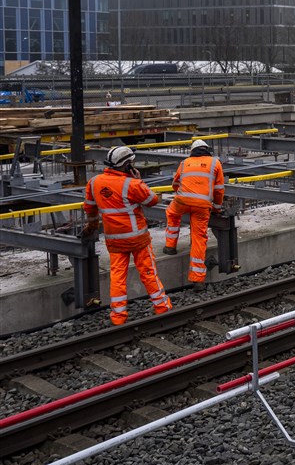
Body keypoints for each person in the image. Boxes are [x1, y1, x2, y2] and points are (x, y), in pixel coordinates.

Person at [82, 146, 172, 325]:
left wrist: (92, 225)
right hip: (137, 239)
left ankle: (118, 316)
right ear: (127, 164)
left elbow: (90, 208)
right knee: (148, 272)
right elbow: (152, 200)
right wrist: (138, 180)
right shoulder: (131, 184)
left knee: (117, 276)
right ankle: (162, 308)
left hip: (114, 240)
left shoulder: (94, 182)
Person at [163, 138, 226, 288]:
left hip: (182, 201)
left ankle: (170, 246)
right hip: (202, 206)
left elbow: (175, 184)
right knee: (199, 238)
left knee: (172, 213)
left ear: (192, 151)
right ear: (206, 150)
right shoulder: (215, 163)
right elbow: (219, 190)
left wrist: (185, 192)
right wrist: (216, 208)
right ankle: (197, 279)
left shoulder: (184, 163)